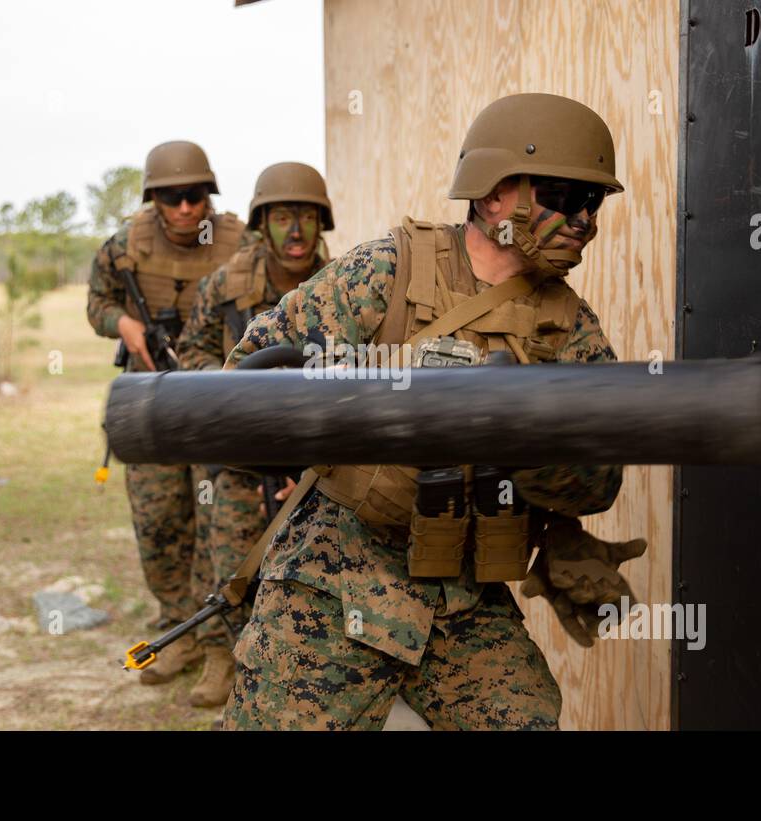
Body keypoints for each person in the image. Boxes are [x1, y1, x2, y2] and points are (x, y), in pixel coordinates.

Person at [220, 93, 646, 730]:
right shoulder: (388, 271)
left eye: (593, 202)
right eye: (563, 195)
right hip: (335, 580)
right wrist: (384, 398)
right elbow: (245, 386)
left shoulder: (567, 328)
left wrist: (525, 440)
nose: (582, 220)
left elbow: (598, 482)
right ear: (493, 193)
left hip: (462, 597)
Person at [174, 161, 335, 707]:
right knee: (232, 553)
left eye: (307, 218)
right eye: (283, 217)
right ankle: (223, 654)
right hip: (243, 453)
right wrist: (228, 390)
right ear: (261, 224)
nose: (296, 232)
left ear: (323, 222)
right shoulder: (228, 284)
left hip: (320, 458)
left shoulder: (347, 286)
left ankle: (298, 665)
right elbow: (191, 349)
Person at [86, 140, 246, 685]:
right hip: (151, 400)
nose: (184, 208)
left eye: (194, 196)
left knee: (219, 527)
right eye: (172, 198)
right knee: (157, 523)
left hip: (212, 400)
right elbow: (97, 303)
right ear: (154, 199)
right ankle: (176, 630)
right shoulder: (124, 246)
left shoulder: (237, 242)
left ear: (209, 196)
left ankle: (220, 647)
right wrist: (124, 327)